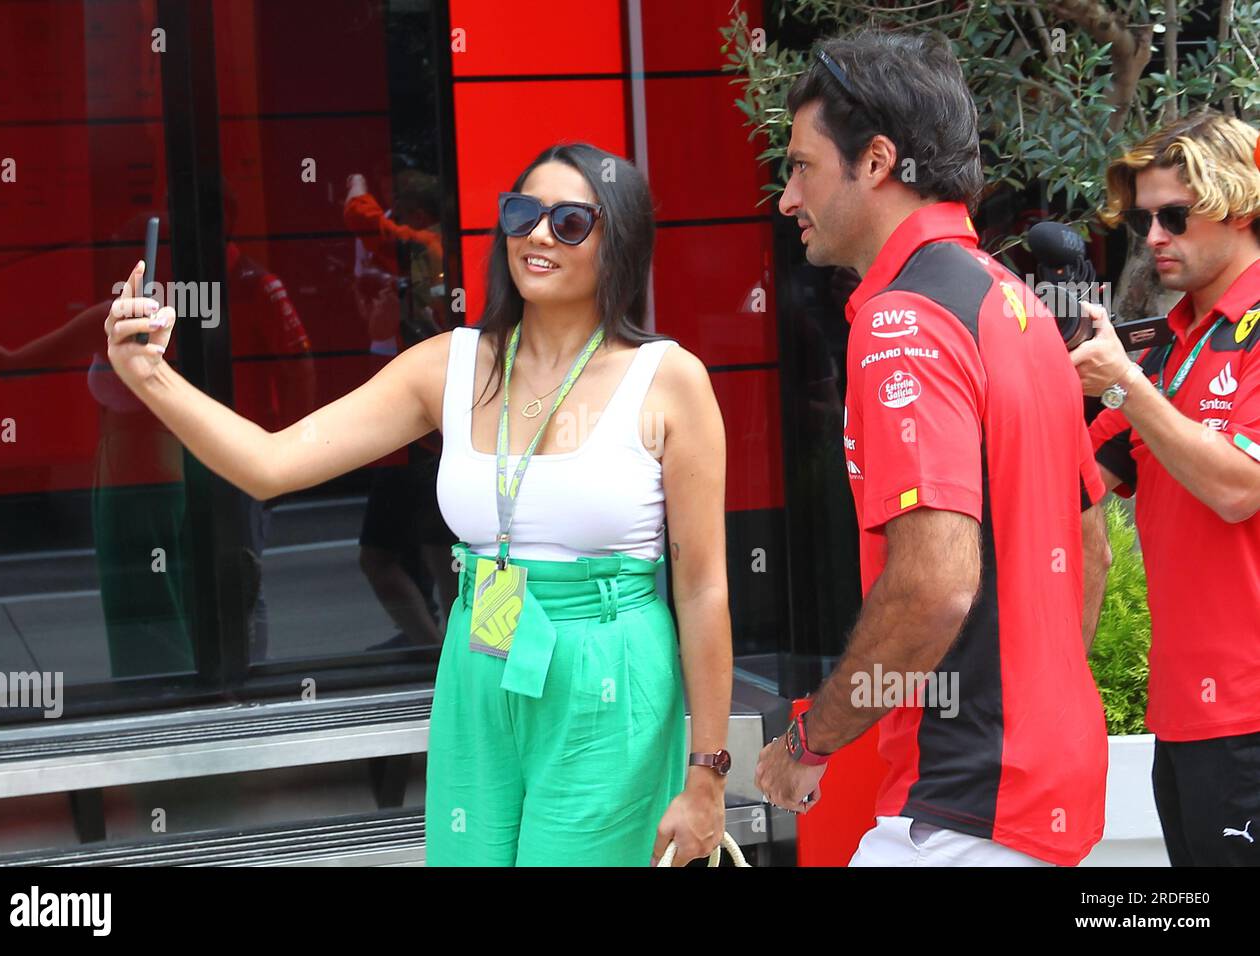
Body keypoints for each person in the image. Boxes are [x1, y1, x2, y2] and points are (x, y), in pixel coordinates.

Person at [101, 142, 733, 867]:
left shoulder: (668, 379)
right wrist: (150, 377)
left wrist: (707, 775)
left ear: (618, 239)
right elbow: (271, 463)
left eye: (568, 222)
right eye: (522, 212)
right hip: (482, 654)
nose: (535, 234)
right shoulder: (449, 365)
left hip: (608, 671)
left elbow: (703, 585)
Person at [755, 29, 1111, 867]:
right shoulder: (1014, 300)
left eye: (801, 165)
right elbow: (1089, 551)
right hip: (1037, 795)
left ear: (875, 162)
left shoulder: (903, 321)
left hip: (962, 809)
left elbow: (935, 586)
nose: (786, 197)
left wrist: (809, 740)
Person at [1073, 110, 1260, 866]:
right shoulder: (1173, 341)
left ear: (1240, 205)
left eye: (1174, 216)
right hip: (1185, 715)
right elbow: (1080, 481)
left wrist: (1124, 386)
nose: (1153, 238)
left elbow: (1239, 487)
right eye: (1147, 219)